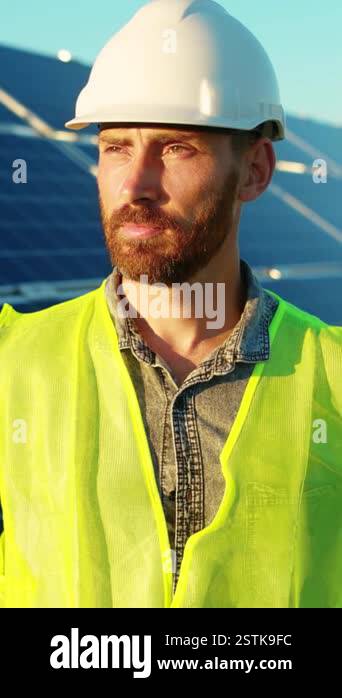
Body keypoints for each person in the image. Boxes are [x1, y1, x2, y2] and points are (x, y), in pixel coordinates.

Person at [0, 0, 341, 608]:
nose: (135, 185)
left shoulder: (333, 375)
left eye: (177, 148)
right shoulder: (12, 365)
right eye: (115, 148)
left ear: (256, 171)